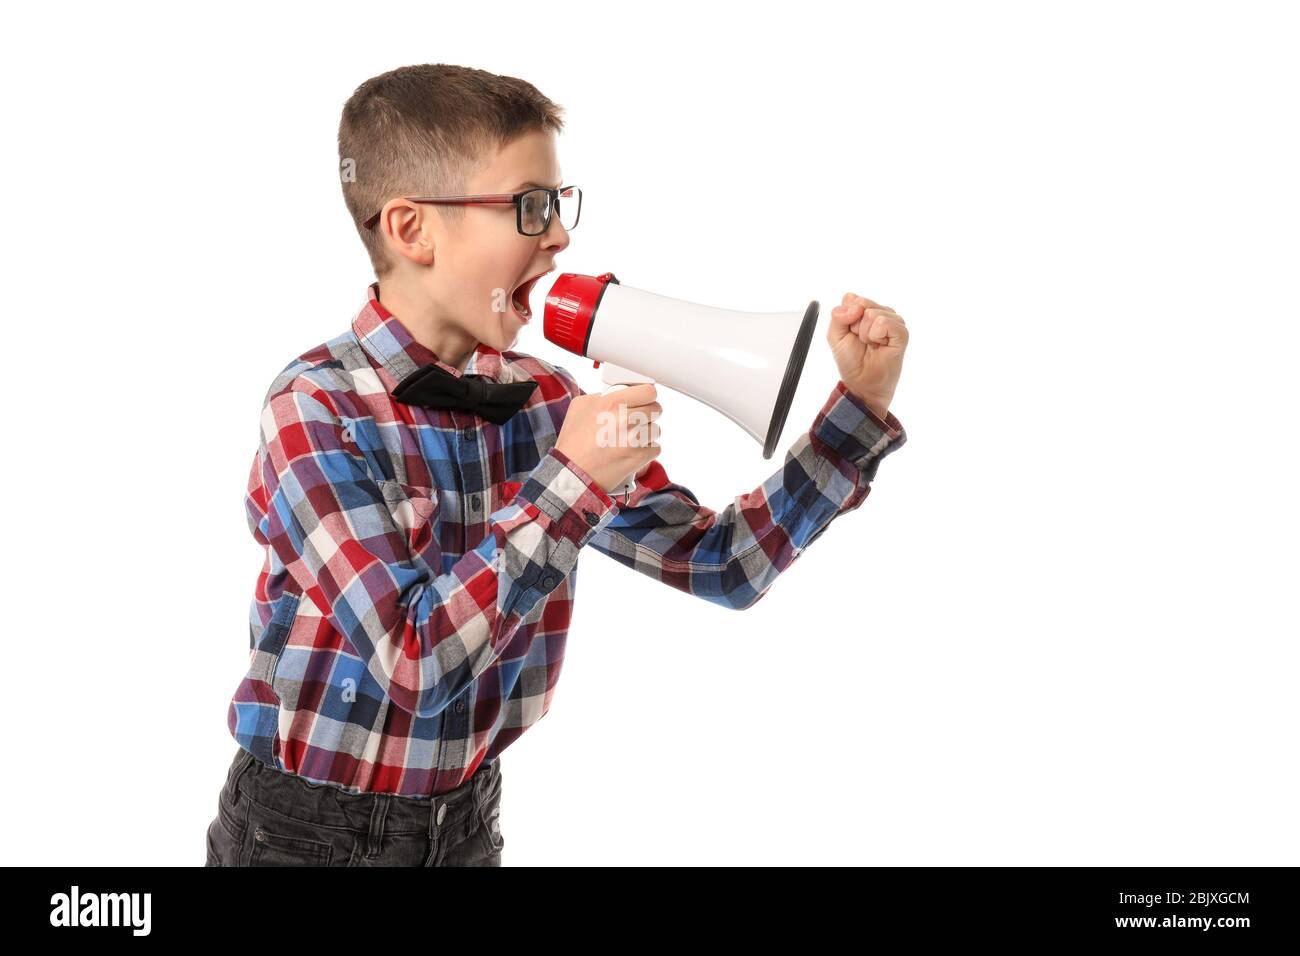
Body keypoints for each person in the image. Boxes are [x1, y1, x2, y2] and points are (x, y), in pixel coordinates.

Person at [205, 63, 910, 867]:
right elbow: (414, 658)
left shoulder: (545, 401)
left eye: (559, 204)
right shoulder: (314, 409)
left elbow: (725, 565)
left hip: (467, 826)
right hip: (302, 839)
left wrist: (856, 409)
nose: (560, 237)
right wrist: (573, 479)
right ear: (411, 230)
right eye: (529, 207)